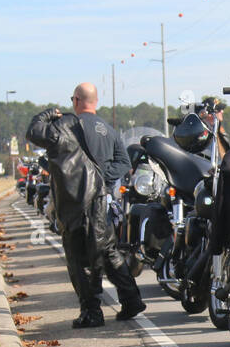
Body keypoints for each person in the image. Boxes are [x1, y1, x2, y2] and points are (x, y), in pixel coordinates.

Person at [26, 103, 145, 328]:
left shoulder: (62, 127)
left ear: (77, 100)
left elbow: (33, 131)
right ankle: (131, 299)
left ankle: (92, 311)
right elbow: (124, 162)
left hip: (76, 202)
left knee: (78, 258)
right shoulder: (108, 129)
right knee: (107, 251)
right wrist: (102, 179)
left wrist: (48, 114)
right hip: (101, 199)